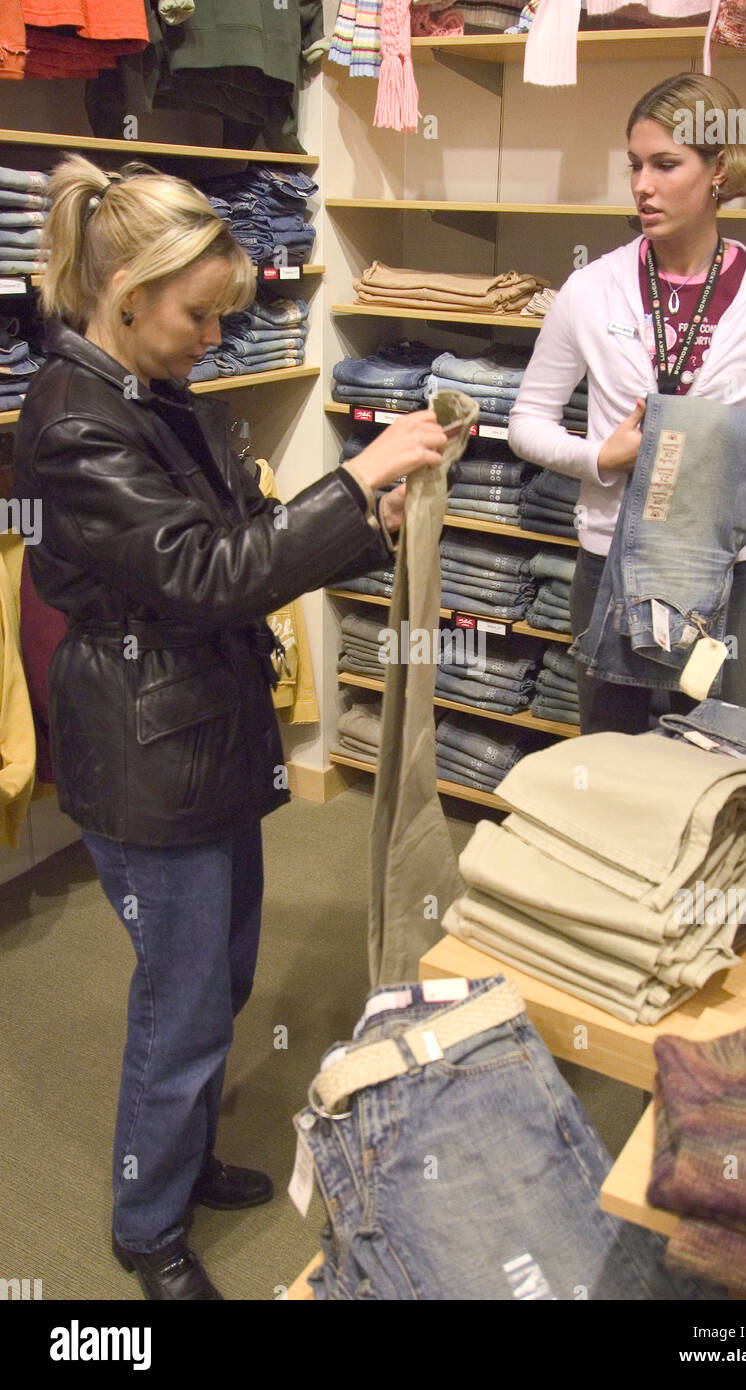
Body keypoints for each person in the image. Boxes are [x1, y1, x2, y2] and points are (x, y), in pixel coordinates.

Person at [12, 155, 449, 1301]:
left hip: (197, 729)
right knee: (184, 995)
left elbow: (245, 522)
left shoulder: (152, 395)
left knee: (223, 969)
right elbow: (208, 574)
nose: (214, 334)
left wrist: (363, 513)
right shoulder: (73, 423)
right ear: (128, 295)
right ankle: (145, 1226)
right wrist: (352, 483)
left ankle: (186, 1156)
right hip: (149, 749)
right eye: (199, 314)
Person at [508, 71, 746, 735]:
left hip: (719, 567)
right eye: (634, 165)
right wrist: (601, 455)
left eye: (665, 164)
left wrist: (730, 450)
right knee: (608, 762)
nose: (641, 186)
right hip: (607, 563)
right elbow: (525, 423)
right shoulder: (591, 289)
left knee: (708, 761)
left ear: (718, 168)